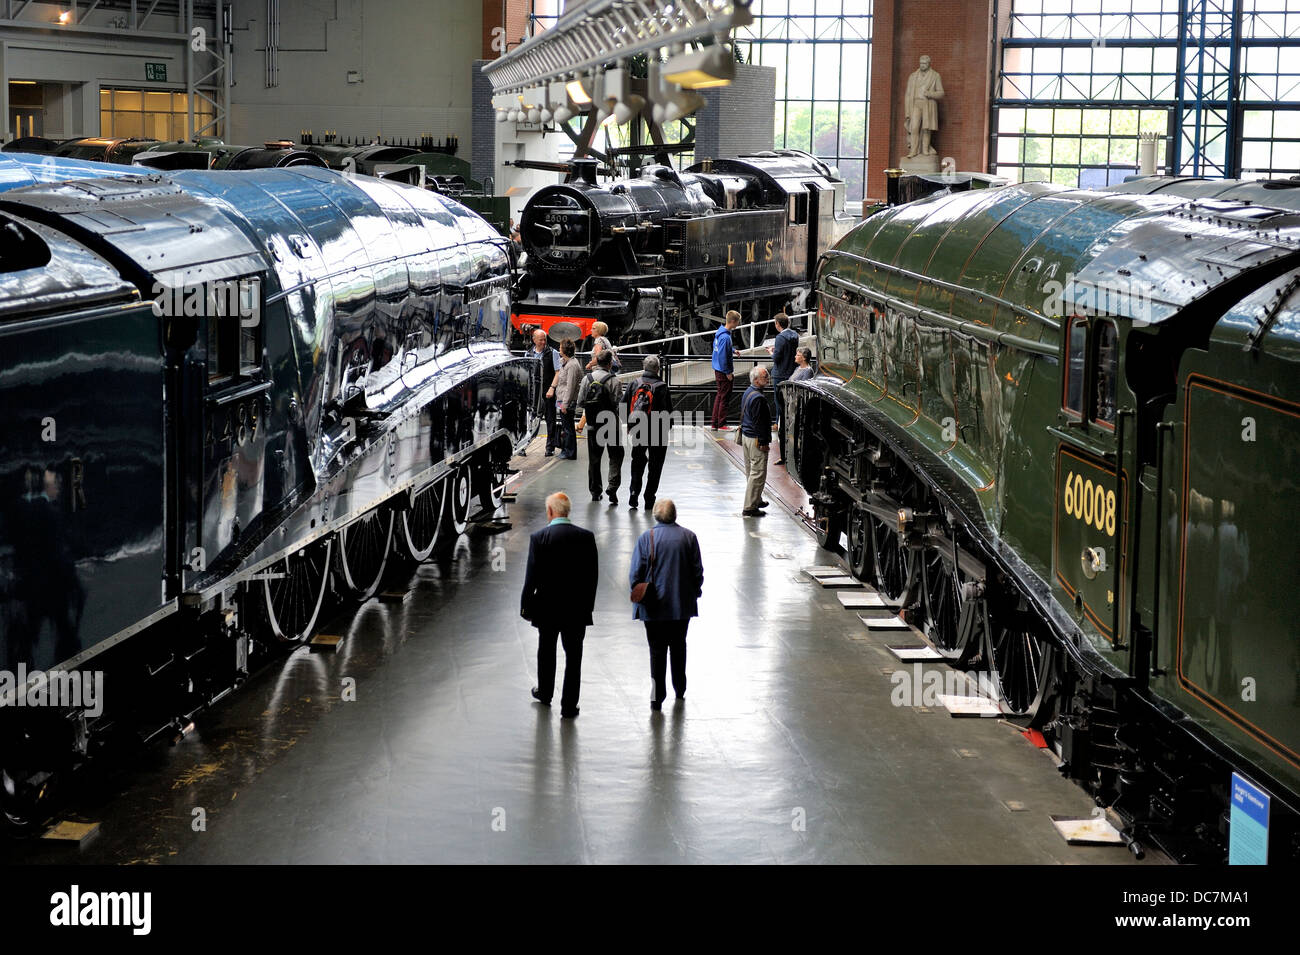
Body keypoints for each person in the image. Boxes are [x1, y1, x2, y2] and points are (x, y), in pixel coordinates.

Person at [520, 492, 598, 719]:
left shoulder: (539, 537)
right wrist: (587, 608)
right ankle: (569, 705)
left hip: (547, 608)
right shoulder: (586, 537)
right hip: (576, 609)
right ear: (568, 512)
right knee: (574, 658)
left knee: (546, 651)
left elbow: (531, 578)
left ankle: (544, 693)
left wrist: (526, 607)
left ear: (550, 512)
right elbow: (592, 577)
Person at [629, 499, 704, 710]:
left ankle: (656, 696)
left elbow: (635, 574)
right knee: (679, 646)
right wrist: (693, 593)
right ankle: (680, 688)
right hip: (681, 606)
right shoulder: (689, 537)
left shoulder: (647, 538)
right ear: (675, 515)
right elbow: (697, 572)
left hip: (654, 608)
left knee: (656, 651)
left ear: (655, 515)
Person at [626, 353, 673, 512]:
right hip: (658, 432)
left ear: (644, 367)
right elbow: (668, 412)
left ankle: (634, 492)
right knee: (655, 465)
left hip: (639, 429)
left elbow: (623, 406)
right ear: (658, 369)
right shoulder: (662, 386)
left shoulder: (635, 384)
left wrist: (630, 424)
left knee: (637, 462)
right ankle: (649, 498)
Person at [579, 349, 624, 505]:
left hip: (593, 425)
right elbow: (619, 404)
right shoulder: (615, 381)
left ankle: (595, 492)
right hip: (611, 424)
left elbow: (580, 402)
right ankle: (612, 488)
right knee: (616, 456)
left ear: (596, 362)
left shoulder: (587, 379)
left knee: (594, 459)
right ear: (610, 363)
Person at [740, 365, 772, 517]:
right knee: (758, 473)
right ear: (756, 380)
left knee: (750, 472)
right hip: (755, 440)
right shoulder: (759, 398)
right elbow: (760, 423)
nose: (768, 379)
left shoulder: (748, 392)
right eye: (765, 377)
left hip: (747, 436)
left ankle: (756, 499)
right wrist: (764, 441)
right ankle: (750, 507)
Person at [768, 312, 799, 465]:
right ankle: (780, 423)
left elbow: (777, 357)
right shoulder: (794, 335)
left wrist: (771, 352)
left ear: (778, 324)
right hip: (791, 372)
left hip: (780, 374)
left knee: (778, 401)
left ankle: (779, 424)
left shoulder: (780, 338)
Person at [528, 328, 561, 456]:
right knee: (530, 419)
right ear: (534, 340)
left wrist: (552, 388)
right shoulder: (528, 354)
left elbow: (558, 372)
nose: (543, 342)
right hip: (534, 393)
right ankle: (525, 446)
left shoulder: (552, 353)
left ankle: (550, 447)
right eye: (540, 339)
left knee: (550, 419)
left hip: (548, 392)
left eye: (544, 339)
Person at [905, 55, 944, 158]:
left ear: (929, 64)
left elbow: (941, 93)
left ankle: (925, 150)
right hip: (915, 104)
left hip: (927, 104)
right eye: (921, 63)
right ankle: (913, 151)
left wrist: (930, 94)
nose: (922, 65)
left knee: (926, 128)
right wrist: (907, 111)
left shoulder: (935, 76)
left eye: (924, 64)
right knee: (914, 127)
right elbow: (908, 94)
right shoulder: (913, 76)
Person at [552, 338, 583, 460]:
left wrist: (565, 404)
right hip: (562, 400)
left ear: (565, 350)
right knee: (566, 426)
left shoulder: (572, 366)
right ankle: (566, 449)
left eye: (560, 347)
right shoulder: (566, 363)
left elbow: (570, 386)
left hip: (567, 401)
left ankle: (569, 452)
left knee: (568, 427)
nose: (559, 349)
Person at [710, 311, 740, 430]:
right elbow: (723, 356)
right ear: (733, 322)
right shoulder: (726, 337)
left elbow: (720, 349)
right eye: (737, 322)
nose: (738, 324)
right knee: (724, 398)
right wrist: (728, 372)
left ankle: (714, 423)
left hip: (717, 369)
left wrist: (732, 350)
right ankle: (721, 424)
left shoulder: (719, 333)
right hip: (723, 372)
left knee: (719, 396)